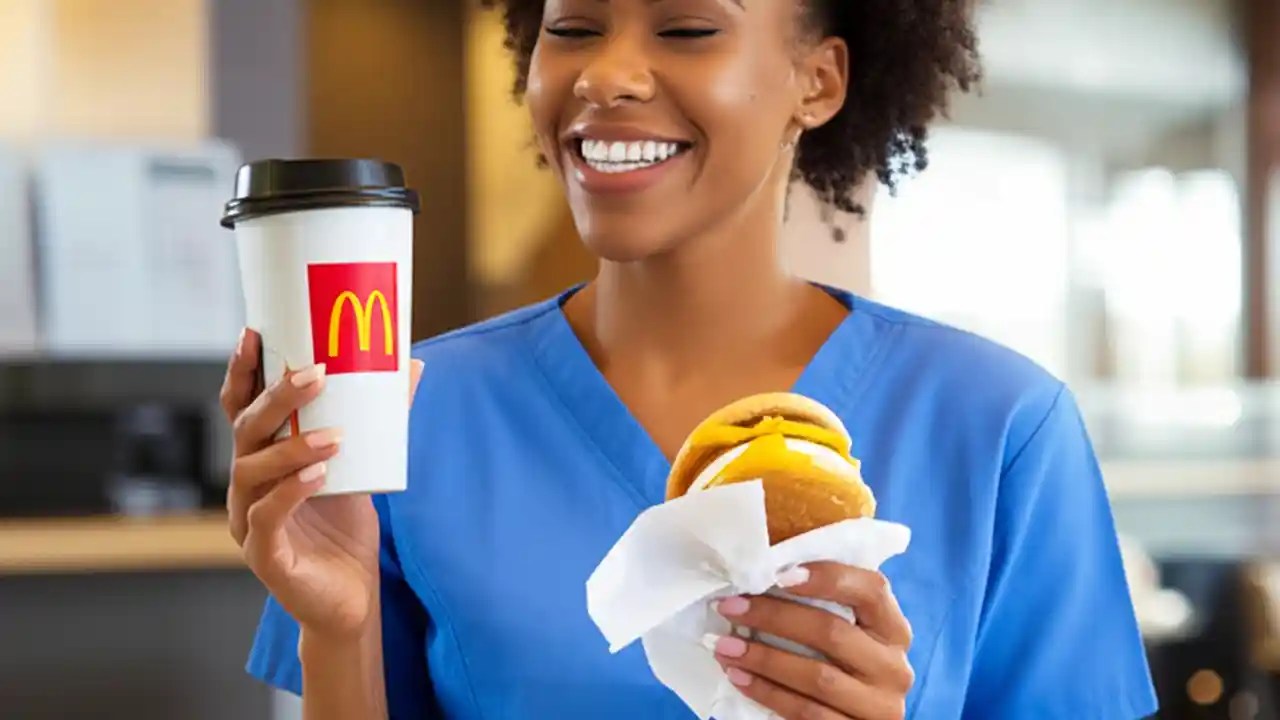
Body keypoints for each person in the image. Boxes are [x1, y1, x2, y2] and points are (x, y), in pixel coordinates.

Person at [221, 0, 1159, 718]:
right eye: (575, 27)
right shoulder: (410, 412)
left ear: (818, 82)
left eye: (686, 27)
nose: (607, 75)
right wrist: (337, 631)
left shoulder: (998, 426)